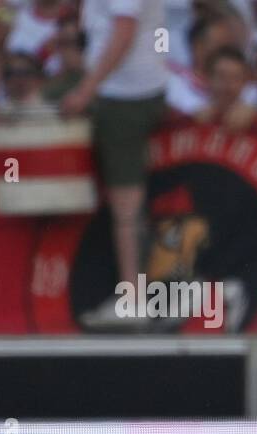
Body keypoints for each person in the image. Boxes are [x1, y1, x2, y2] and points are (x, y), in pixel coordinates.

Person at [62, 0, 169, 330]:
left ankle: (133, 300)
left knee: (126, 207)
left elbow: (124, 31)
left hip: (125, 96)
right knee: (130, 207)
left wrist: (86, 90)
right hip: (130, 89)